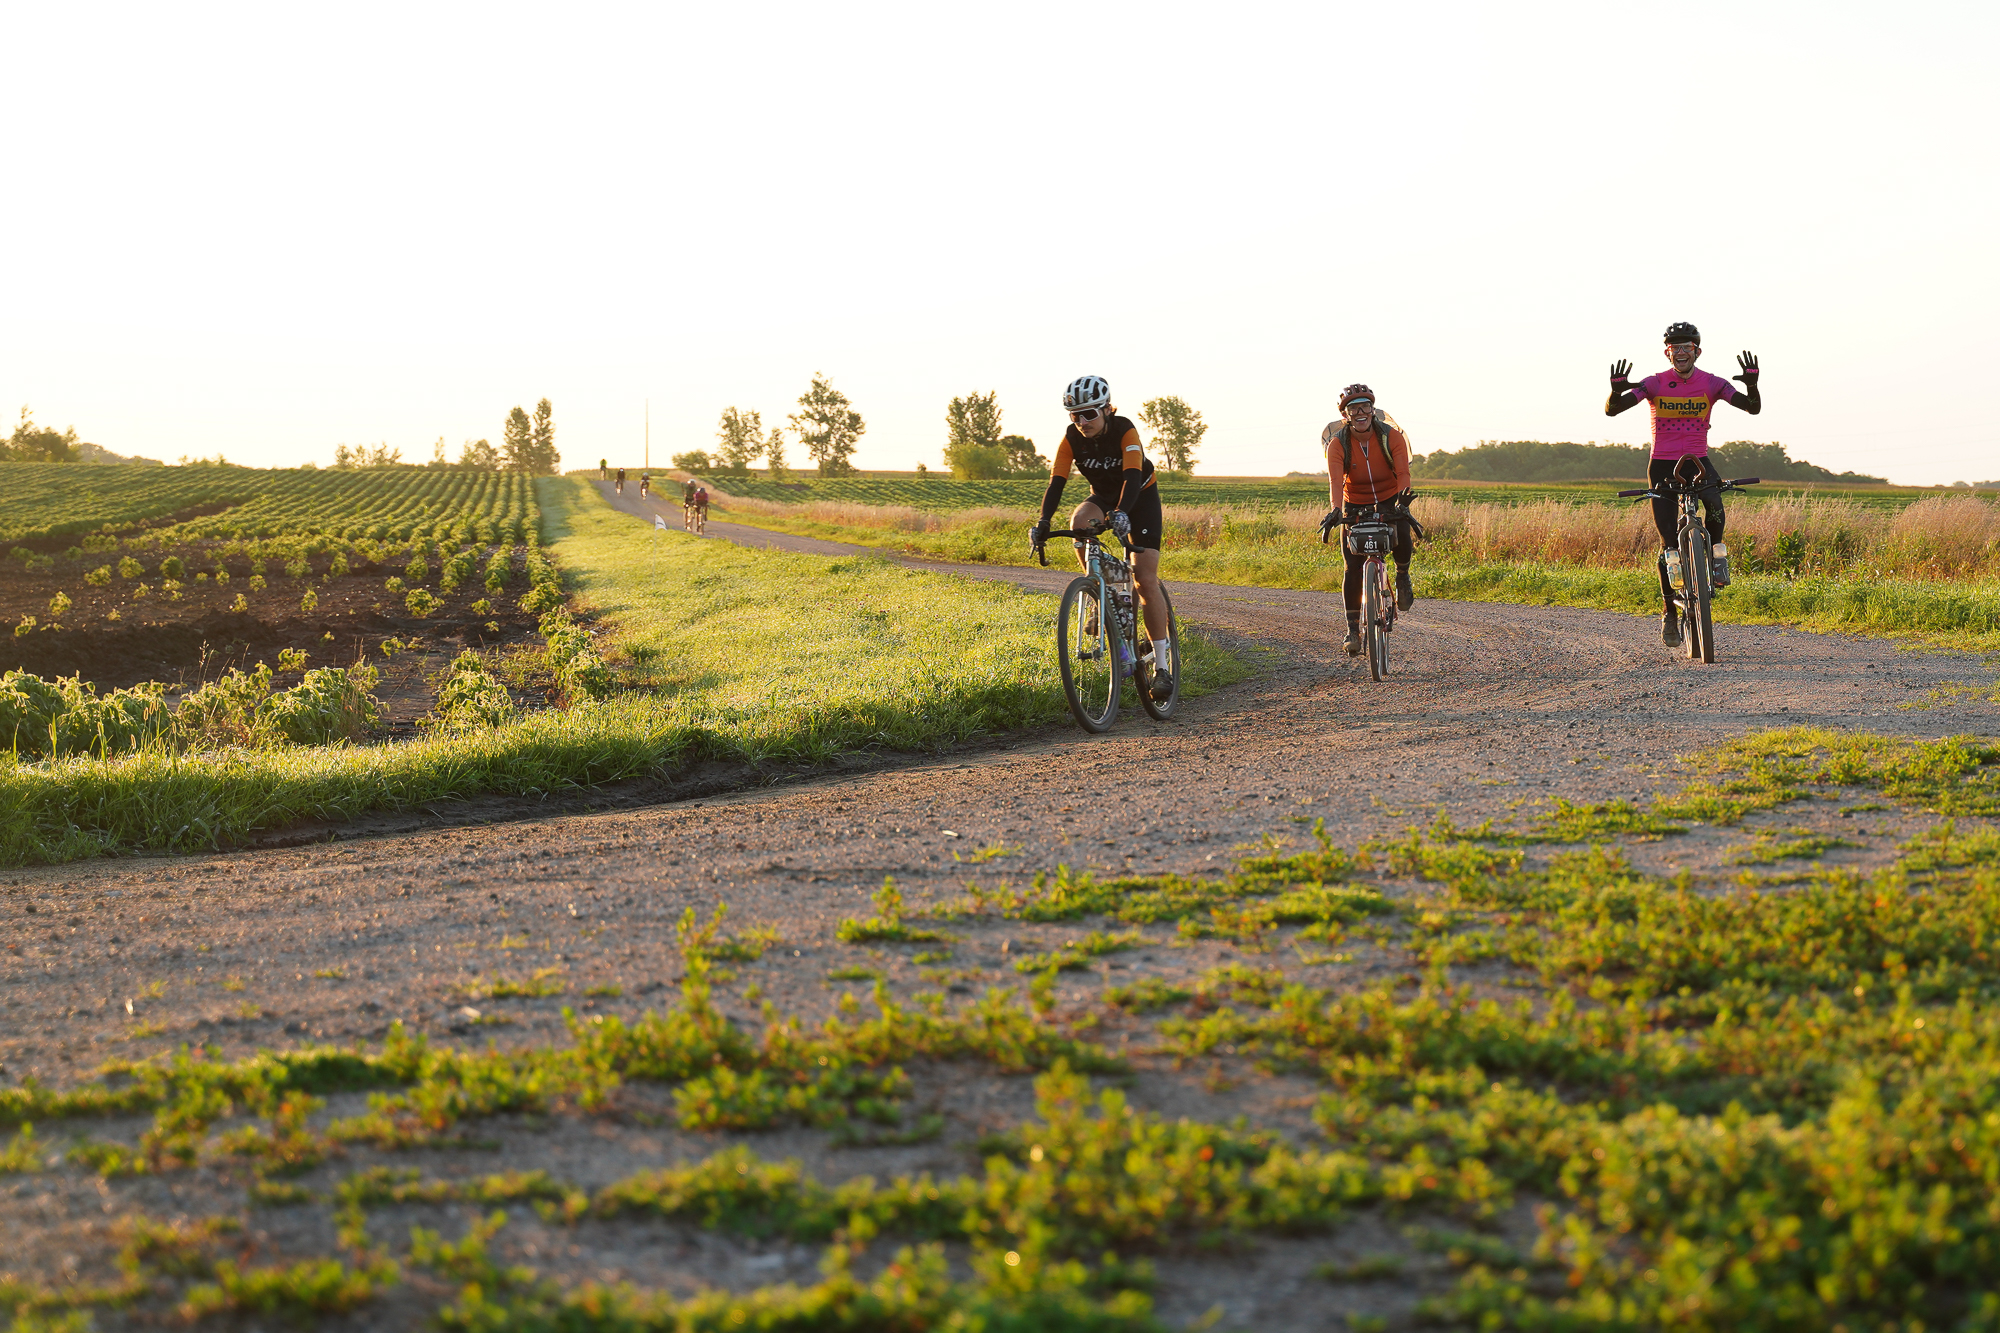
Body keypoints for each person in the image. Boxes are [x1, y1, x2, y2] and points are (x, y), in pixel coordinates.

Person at [1604, 321, 1761, 646]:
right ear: (1667, 353)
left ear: (1697, 351)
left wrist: (1752, 386)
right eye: (1675, 348)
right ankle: (1669, 612)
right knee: (1668, 544)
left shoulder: (1713, 383)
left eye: (1686, 347)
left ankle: (1717, 558)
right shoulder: (1654, 383)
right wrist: (1615, 392)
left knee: (1714, 503)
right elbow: (1612, 411)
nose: (1681, 353)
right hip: (1662, 466)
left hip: (1698, 462)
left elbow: (1752, 408)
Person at [1027, 375, 1173, 700]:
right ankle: (1098, 592)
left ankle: (1162, 668)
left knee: (1144, 579)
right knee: (1079, 521)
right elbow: (1056, 482)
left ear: (1107, 409)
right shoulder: (1071, 438)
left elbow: (1132, 476)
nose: (1081, 422)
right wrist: (1043, 522)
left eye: (1089, 414)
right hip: (1104, 498)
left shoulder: (1125, 430)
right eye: (1074, 416)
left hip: (1139, 497)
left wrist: (1122, 513)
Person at [1318, 384, 1415, 657]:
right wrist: (1336, 510)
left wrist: (1402, 501)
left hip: (1389, 496)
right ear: (1345, 415)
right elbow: (1335, 481)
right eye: (1353, 408)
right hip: (1354, 501)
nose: (1360, 412)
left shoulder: (1390, 436)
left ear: (1373, 410)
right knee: (1352, 566)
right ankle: (1353, 631)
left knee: (1402, 530)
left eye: (1365, 406)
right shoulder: (1338, 444)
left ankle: (1403, 576)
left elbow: (1403, 472)